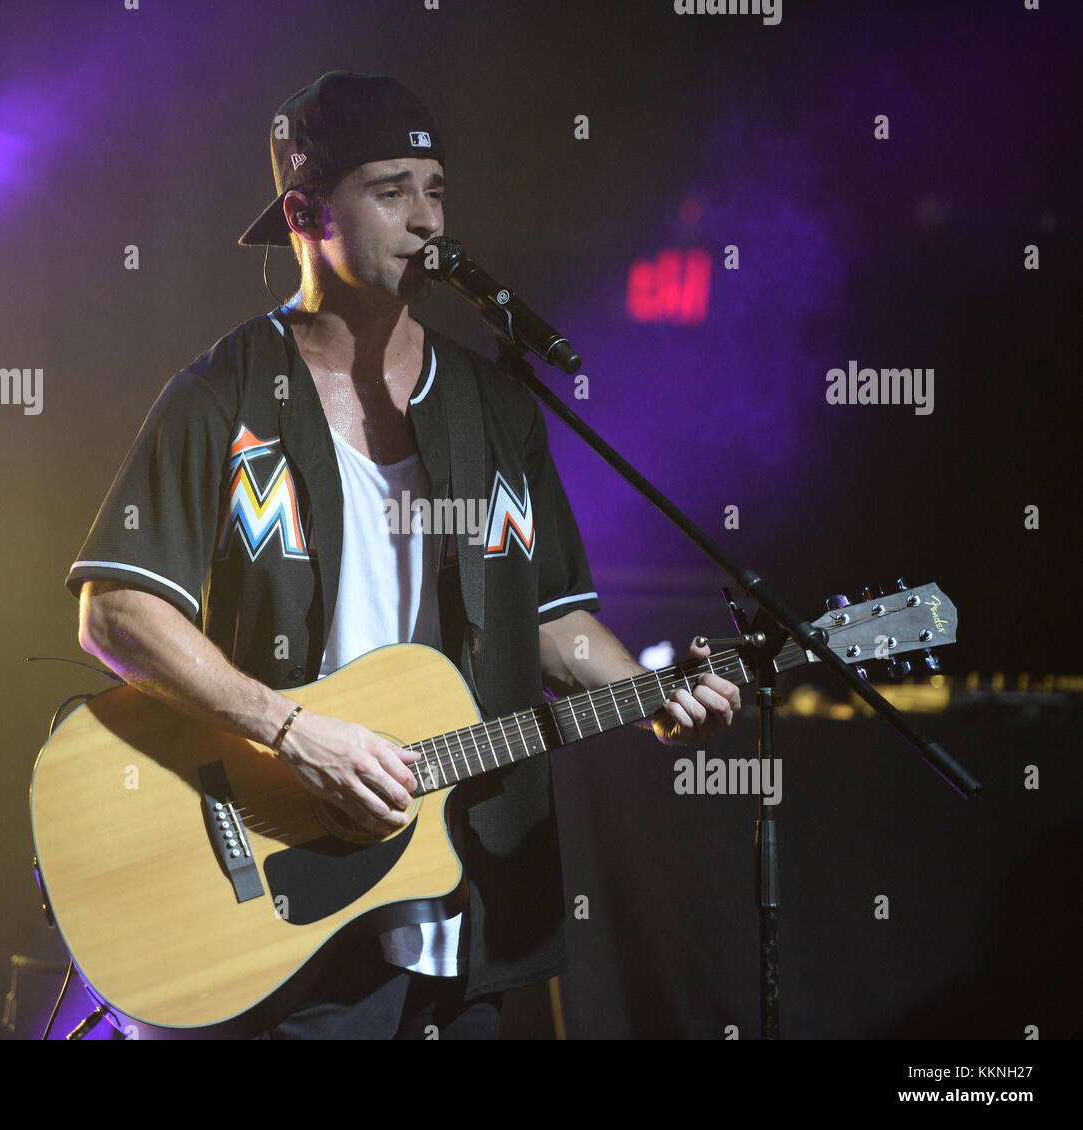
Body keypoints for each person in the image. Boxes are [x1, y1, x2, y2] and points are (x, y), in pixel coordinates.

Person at [67, 70, 740, 1040]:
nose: (425, 218)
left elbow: (549, 619)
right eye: (390, 189)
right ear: (305, 211)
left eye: (435, 189)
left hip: (461, 903)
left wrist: (643, 689)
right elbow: (115, 610)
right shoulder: (223, 391)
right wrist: (294, 732)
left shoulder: (494, 405)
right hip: (279, 896)